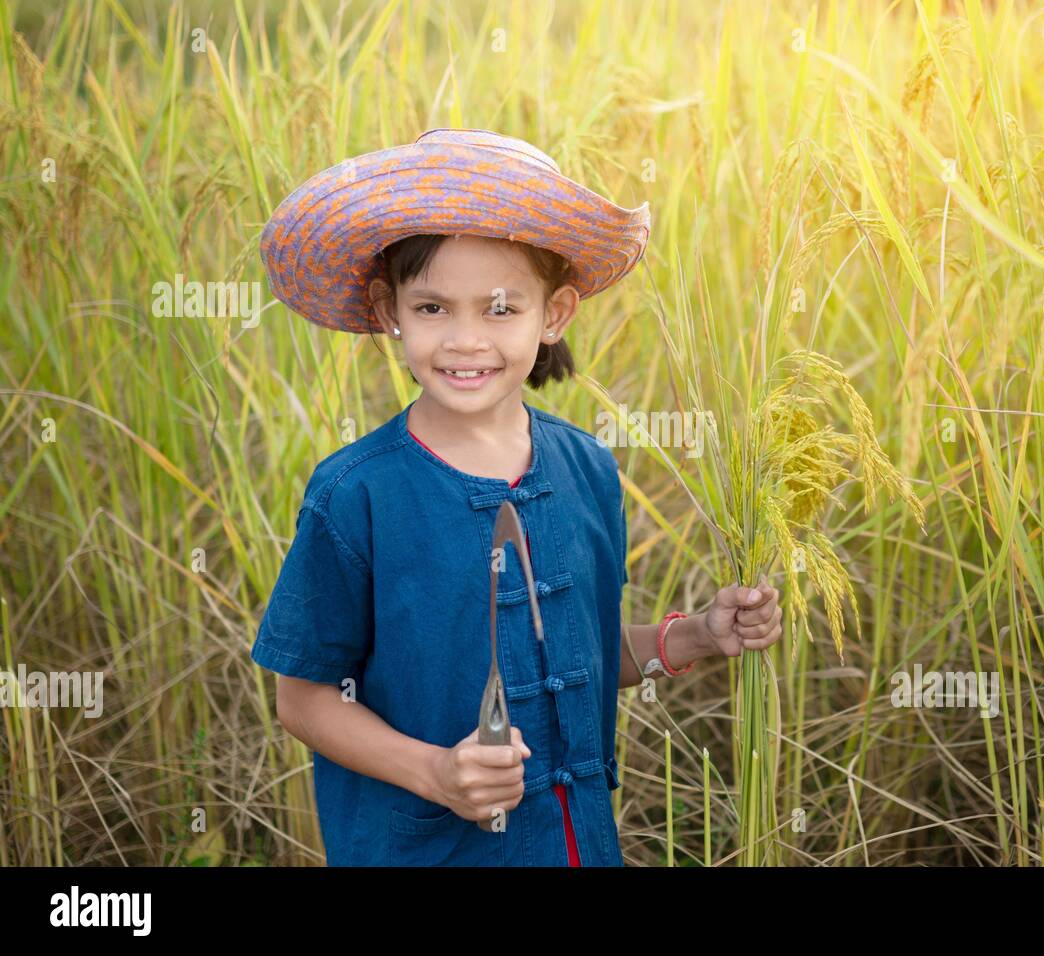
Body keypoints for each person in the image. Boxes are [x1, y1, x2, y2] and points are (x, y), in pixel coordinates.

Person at [250, 128, 783, 866]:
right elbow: (303, 700)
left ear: (554, 313)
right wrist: (436, 772)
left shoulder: (587, 467)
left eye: (501, 308)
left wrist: (693, 637)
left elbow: (579, 650)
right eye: (434, 308)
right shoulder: (356, 493)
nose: (467, 340)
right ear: (388, 310)